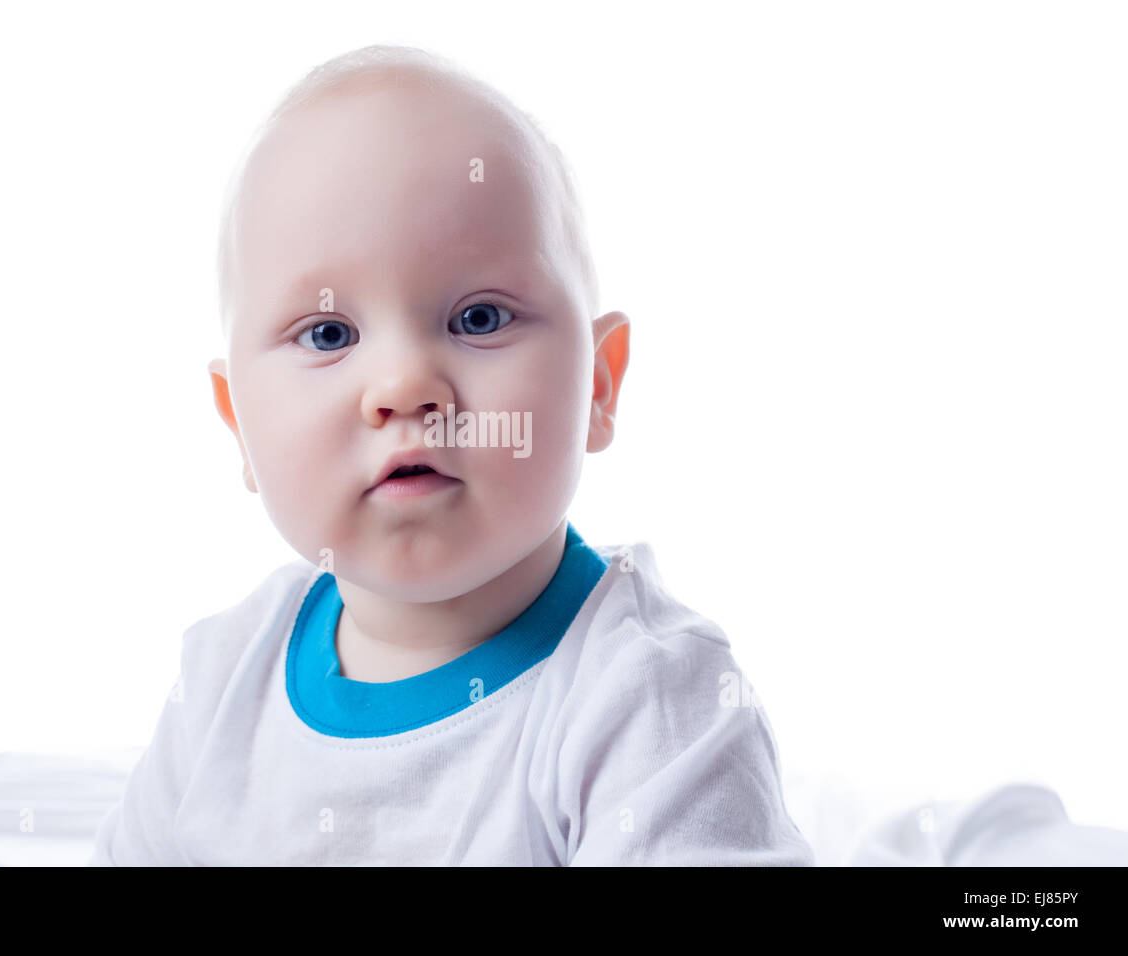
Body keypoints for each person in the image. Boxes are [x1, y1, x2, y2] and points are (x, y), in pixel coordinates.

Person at [89, 44, 814, 865]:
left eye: (478, 319)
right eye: (328, 334)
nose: (403, 387)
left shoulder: (646, 704)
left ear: (599, 389)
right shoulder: (223, 685)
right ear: (238, 428)